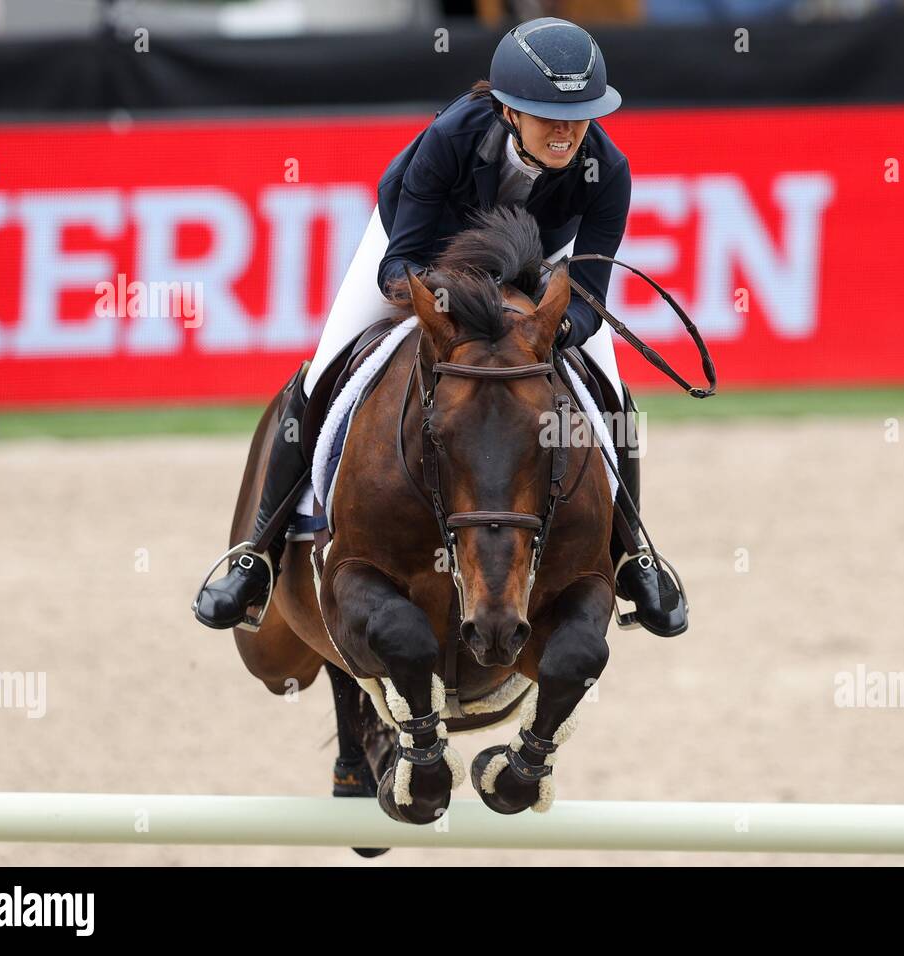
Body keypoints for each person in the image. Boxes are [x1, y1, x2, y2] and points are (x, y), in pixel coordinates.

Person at [193, 17, 687, 637]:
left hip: (540, 267)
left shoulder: (607, 170)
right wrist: (451, 304)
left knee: (612, 398)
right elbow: (399, 262)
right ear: (508, 110)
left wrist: (554, 331)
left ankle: (633, 554)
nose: (566, 130)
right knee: (323, 370)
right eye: (546, 114)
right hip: (427, 253)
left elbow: (589, 293)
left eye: (580, 114)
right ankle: (259, 554)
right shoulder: (451, 138)